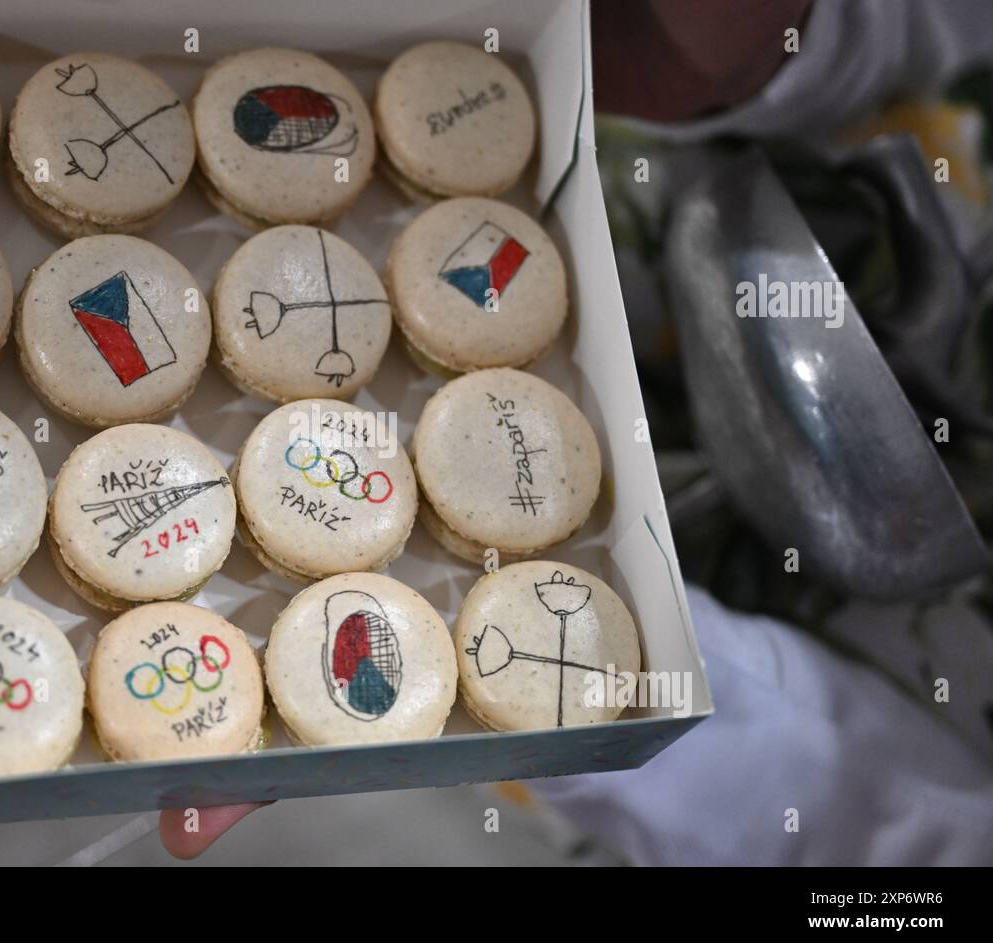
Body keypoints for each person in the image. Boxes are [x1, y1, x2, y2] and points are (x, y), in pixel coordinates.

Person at [162, 0, 993, 862]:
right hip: (703, 196)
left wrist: (562, 687)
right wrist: (783, 57)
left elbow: (903, 858)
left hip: (772, 685)